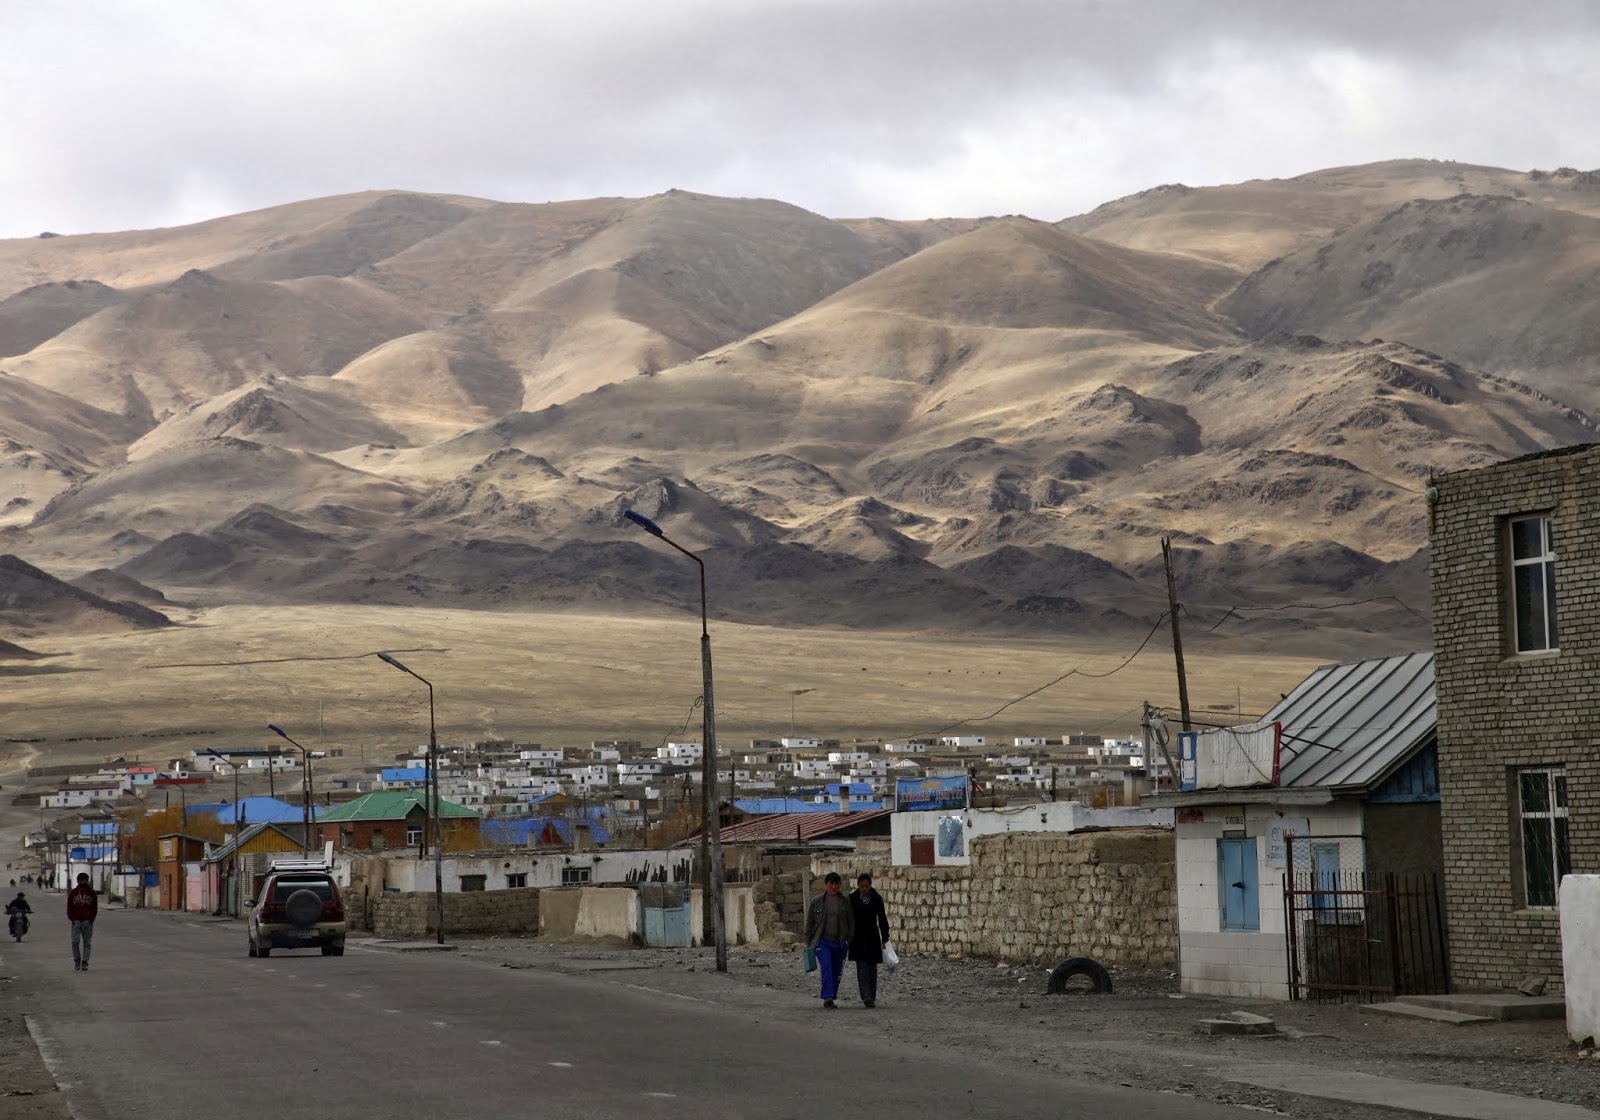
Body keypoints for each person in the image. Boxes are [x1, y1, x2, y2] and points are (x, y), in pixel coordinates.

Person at [805, 872, 855, 1009]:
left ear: (840, 885)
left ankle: (831, 996)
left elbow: (851, 922)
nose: (834, 887)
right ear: (826, 885)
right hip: (822, 942)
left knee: (836, 971)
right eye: (831, 884)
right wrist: (808, 942)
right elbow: (809, 922)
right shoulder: (817, 902)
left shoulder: (845, 902)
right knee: (826, 967)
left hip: (839, 943)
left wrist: (848, 941)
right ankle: (827, 997)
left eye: (836, 884)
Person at [848, 872, 892, 1008]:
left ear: (870, 885)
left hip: (872, 936)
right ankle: (866, 996)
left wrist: (885, 938)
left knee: (872, 967)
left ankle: (871, 996)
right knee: (862, 966)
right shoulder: (852, 899)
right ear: (858, 886)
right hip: (858, 936)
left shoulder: (876, 899)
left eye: (867, 886)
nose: (865, 889)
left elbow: (882, 919)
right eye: (862, 886)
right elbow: (848, 919)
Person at [67, 873, 98, 971]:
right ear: (78, 881)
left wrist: (91, 919)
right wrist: (72, 918)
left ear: (87, 881)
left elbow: (94, 908)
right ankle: (77, 961)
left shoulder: (92, 893)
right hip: (76, 921)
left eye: (84, 880)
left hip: (87, 921)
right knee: (75, 941)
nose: (82, 882)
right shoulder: (73, 893)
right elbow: (69, 907)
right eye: (81, 880)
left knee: (87, 943)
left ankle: (85, 962)